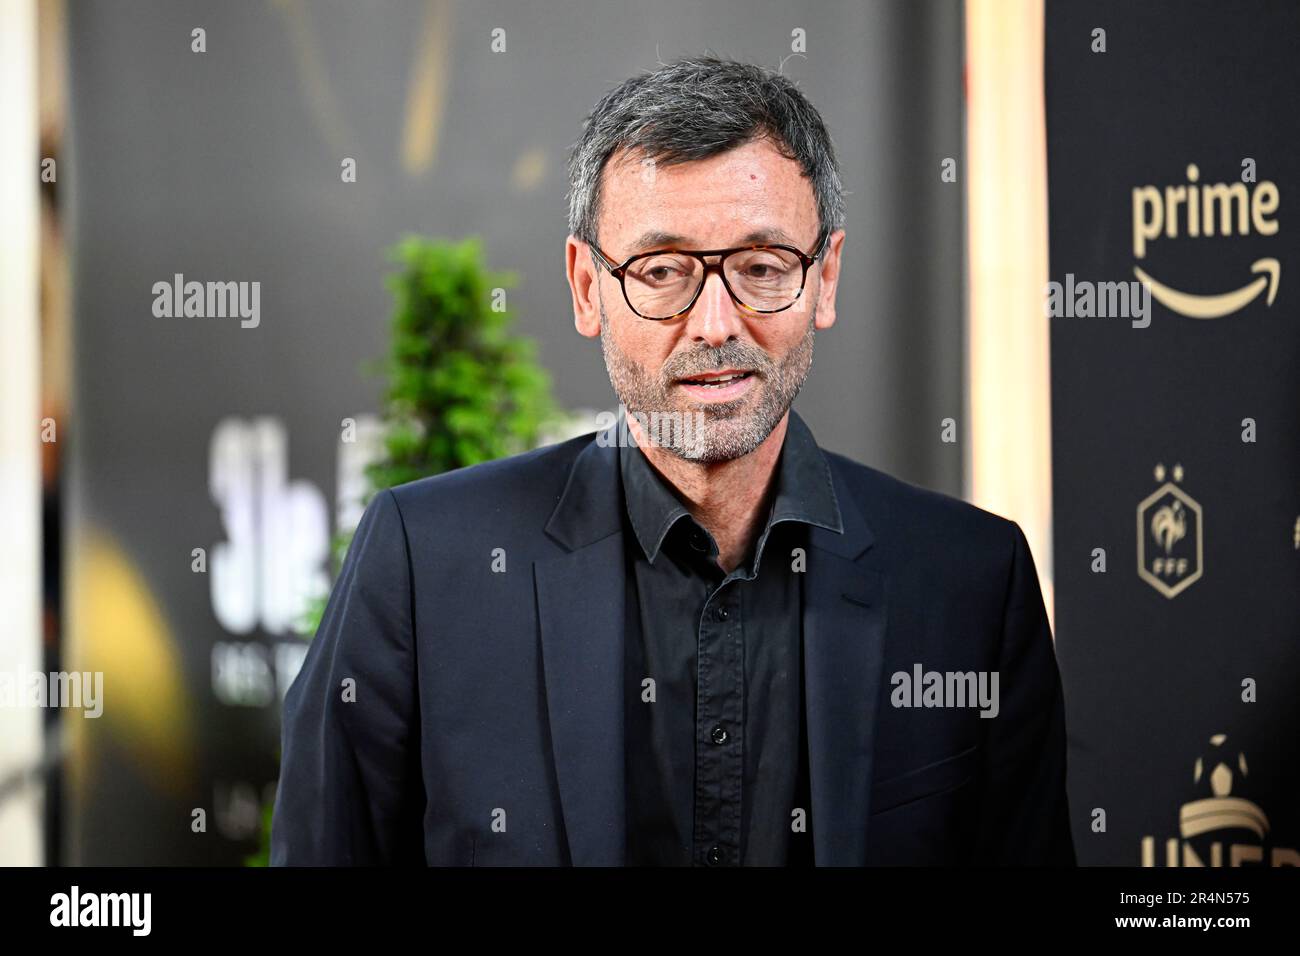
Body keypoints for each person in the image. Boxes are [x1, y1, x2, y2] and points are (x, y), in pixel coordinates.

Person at [271, 55, 1075, 866]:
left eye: (762, 268)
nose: (714, 323)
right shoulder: (423, 563)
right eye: (662, 273)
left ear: (824, 280)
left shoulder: (971, 580)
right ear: (588, 288)